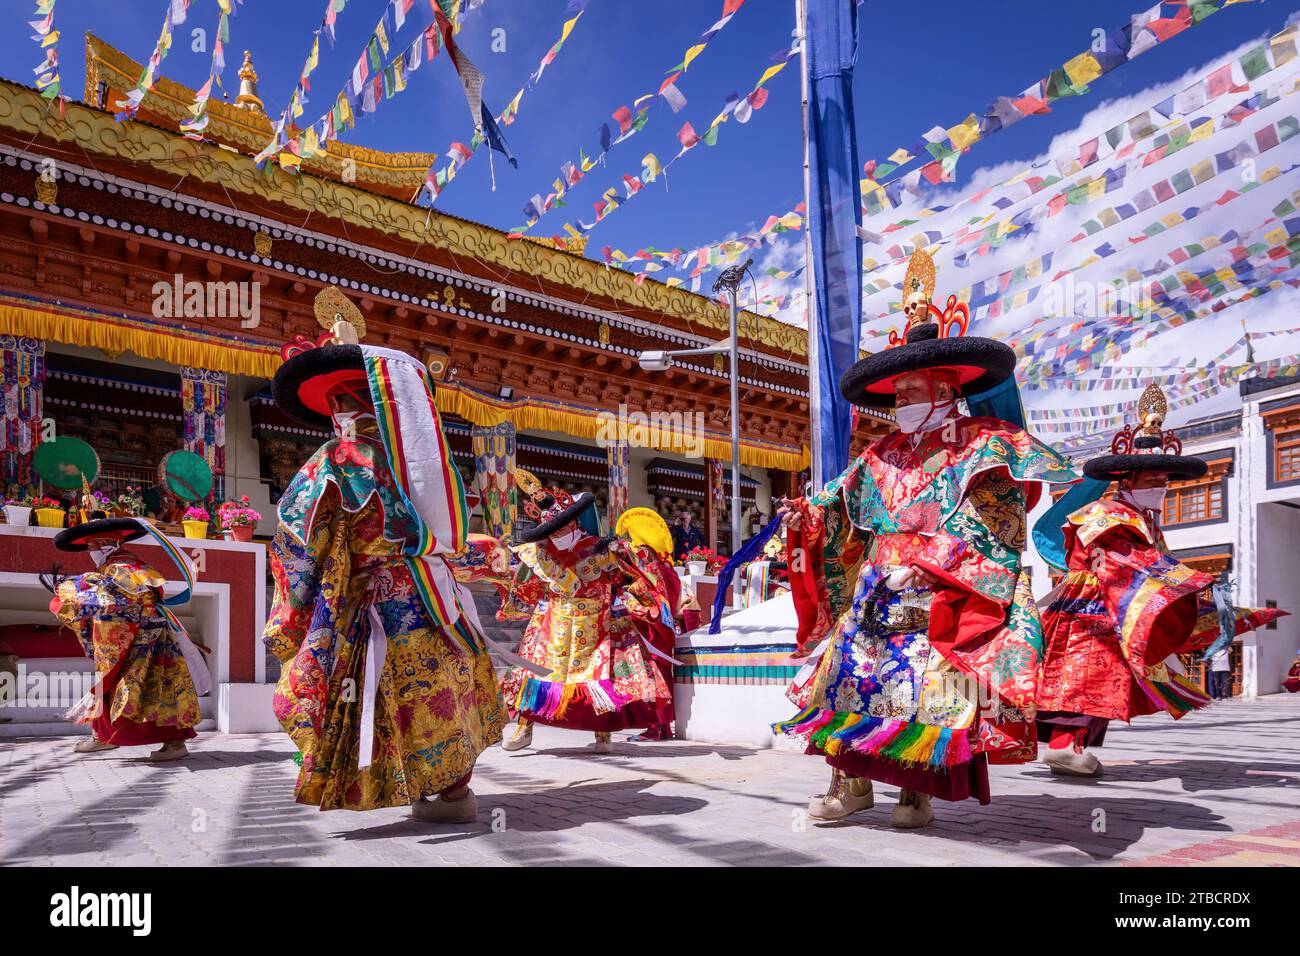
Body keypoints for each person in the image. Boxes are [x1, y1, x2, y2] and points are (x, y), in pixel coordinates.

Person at [772, 249, 1079, 827]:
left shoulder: (987, 445)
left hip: (940, 587)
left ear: (946, 386)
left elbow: (999, 520)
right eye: (900, 392)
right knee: (848, 679)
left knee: (928, 688)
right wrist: (805, 517)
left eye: (915, 390)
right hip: (876, 588)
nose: (905, 402)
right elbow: (836, 501)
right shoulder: (880, 453)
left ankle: (917, 791)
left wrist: (934, 562)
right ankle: (851, 783)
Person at [263, 287, 504, 820]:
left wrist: (297, 601)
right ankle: (451, 789)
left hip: (361, 599)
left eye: (342, 404)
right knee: (445, 680)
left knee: (374, 691)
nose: (341, 414)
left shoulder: (336, 460)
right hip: (429, 593)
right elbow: (436, 531)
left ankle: (405, 786)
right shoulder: (420, 469)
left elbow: (300, 542)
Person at [1036, 384, 1286, 777]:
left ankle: (1071, 749)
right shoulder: (1104, 512)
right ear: (1129, 480)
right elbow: (1128, 561)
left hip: (1123, 605)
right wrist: (1186, 580)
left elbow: (1155, 563)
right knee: (1088, 674)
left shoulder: (1146, 520)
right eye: (1153, 481)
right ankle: (1063, 744)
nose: (1161, 489)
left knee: (1113, 678)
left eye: (1165, 482)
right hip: (1093, 607)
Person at [500, 478, 671, 753]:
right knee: (535, 675)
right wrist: (517, 600)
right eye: (550, 530)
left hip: (597, 621)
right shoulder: (539, 554)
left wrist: (644, 600)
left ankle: (602, 732)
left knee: (599, 676)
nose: (555, 534)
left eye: (559, 527)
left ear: (573, 523)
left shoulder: (600, 549)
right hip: (553, 622)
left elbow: (625, 577)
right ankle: (524, 727)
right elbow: (528, 587)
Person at [45, 514, 209, 761]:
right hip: (139, 637)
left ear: (105, 545)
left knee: (153, 689)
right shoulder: (127, 566)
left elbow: (114, 605)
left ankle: (174, 743)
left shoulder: (121, 569)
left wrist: (72, 600)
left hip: (141, 641)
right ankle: (104, 737)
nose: (90, 552)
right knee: (126, 688)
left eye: (91, 547)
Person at [615, 507, 682, 742]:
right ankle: (663, 727)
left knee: (654, 679)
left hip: (654, 631)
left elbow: (655, 601)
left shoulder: (654, 572)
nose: (639, 559)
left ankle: (656, 728)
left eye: (641, 554)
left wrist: (630, 594)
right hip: (662, 631)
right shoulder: (669, 572)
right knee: (662, 677)